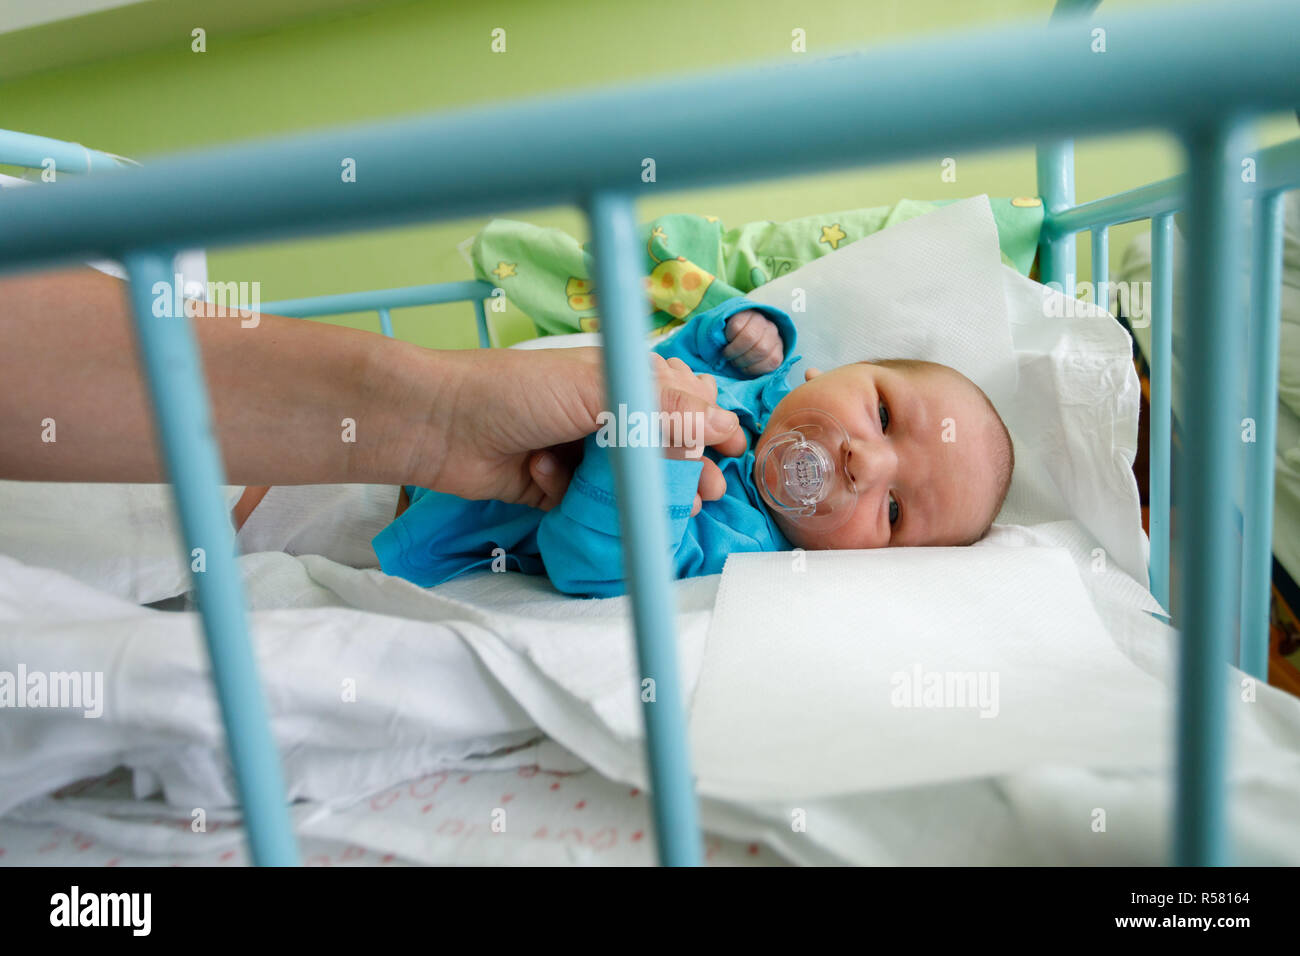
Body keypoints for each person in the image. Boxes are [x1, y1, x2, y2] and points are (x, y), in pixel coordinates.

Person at [0, 266, 746, 512]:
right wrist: (752, 323)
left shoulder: (741, 539)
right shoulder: (736, 392)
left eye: (874, 515)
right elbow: (702, 343)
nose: (863, 464)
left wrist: (438, 418)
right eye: (872, 410)